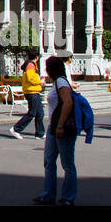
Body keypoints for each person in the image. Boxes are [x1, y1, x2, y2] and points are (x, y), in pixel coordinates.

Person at [33, 55, 78, 205]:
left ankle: (68, 197)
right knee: (49, 161)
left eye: (47, 67)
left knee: (67, 163)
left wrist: (60, 125)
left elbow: (68, 103)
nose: (46, 70)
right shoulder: (56, 82)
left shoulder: (61, 82)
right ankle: (48, 194)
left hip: (62, 127)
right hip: (53, 126)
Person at [11, 52, 45, 139]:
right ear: (37, 57)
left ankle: (40, 133)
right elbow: (31, 78)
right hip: (31, 92)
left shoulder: (31, 64)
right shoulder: (30, 65)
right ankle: (16, 129)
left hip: (34, 91)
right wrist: (40, 82)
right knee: (32, 112)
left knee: (40, 113)